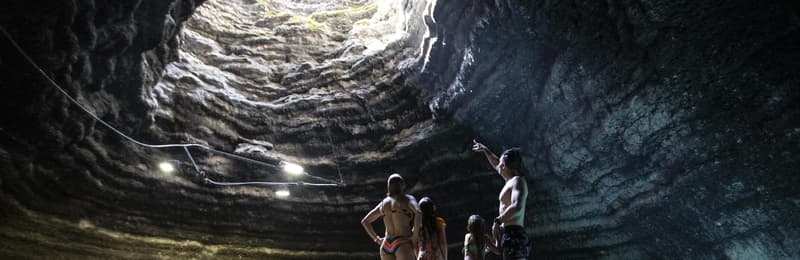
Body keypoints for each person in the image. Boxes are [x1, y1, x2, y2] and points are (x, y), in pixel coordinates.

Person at [472, 140, 530, 260]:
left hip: (514, 233)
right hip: (507, 233)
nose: (498, 165)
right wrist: (485, 150)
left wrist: (498, 220)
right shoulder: (509, 181)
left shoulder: (518, 181)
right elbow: (496, 163)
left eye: (501, 163)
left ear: (505, 165)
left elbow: (516, 206)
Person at [361, 173, 421, 260]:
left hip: (386, 244)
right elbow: (418, 212)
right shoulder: (407, 199)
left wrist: (377, 239)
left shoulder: (383, 203)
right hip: (403, 242)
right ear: (402, 185)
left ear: (388, 187)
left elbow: (365, 221)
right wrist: (415, 237)